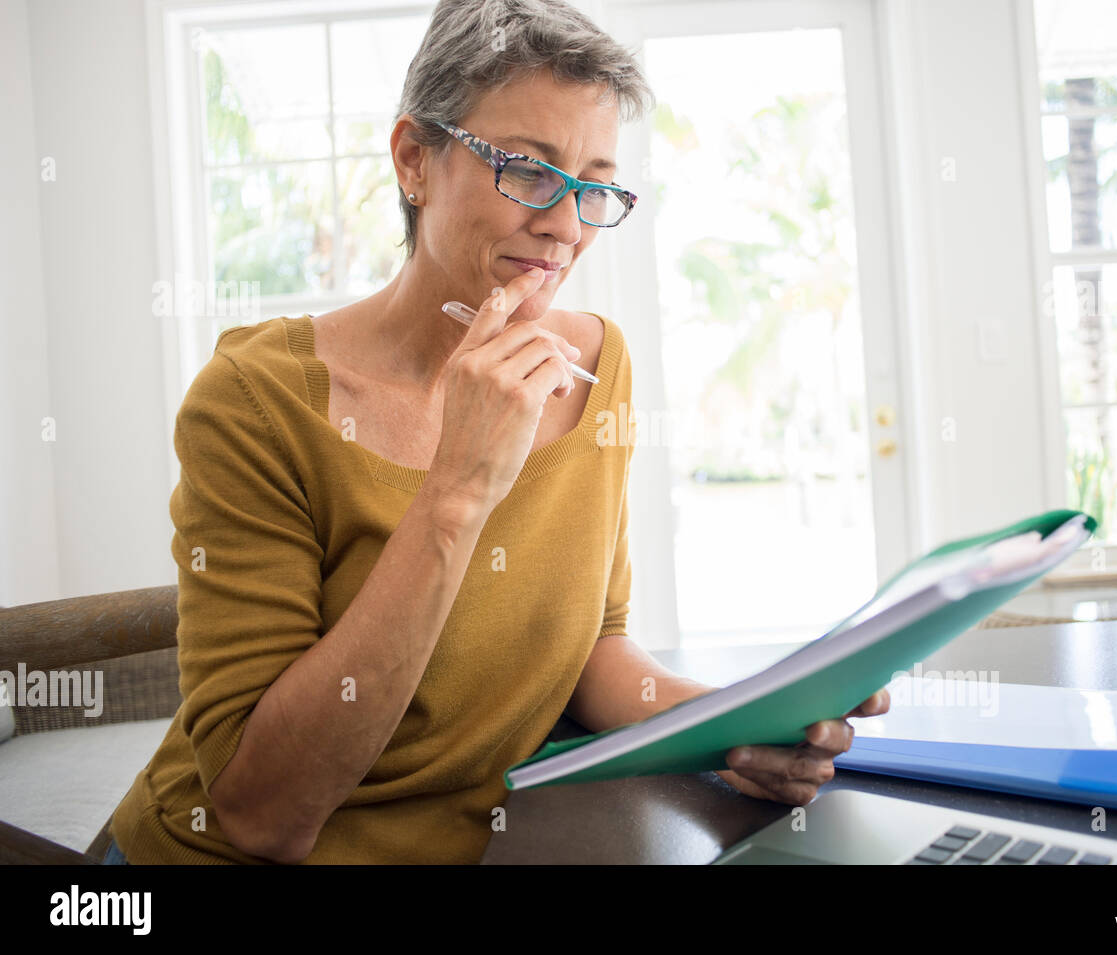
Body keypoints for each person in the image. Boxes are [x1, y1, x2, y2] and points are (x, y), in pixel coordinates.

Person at [107, 0, 888, 865]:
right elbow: (262, 815)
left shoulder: (597, 368)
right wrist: (457, 490)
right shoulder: (256, 401)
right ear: (414, 159)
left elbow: (592, 645)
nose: (565, 225)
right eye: (529, 172)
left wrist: (732, 724)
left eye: (595, 185)